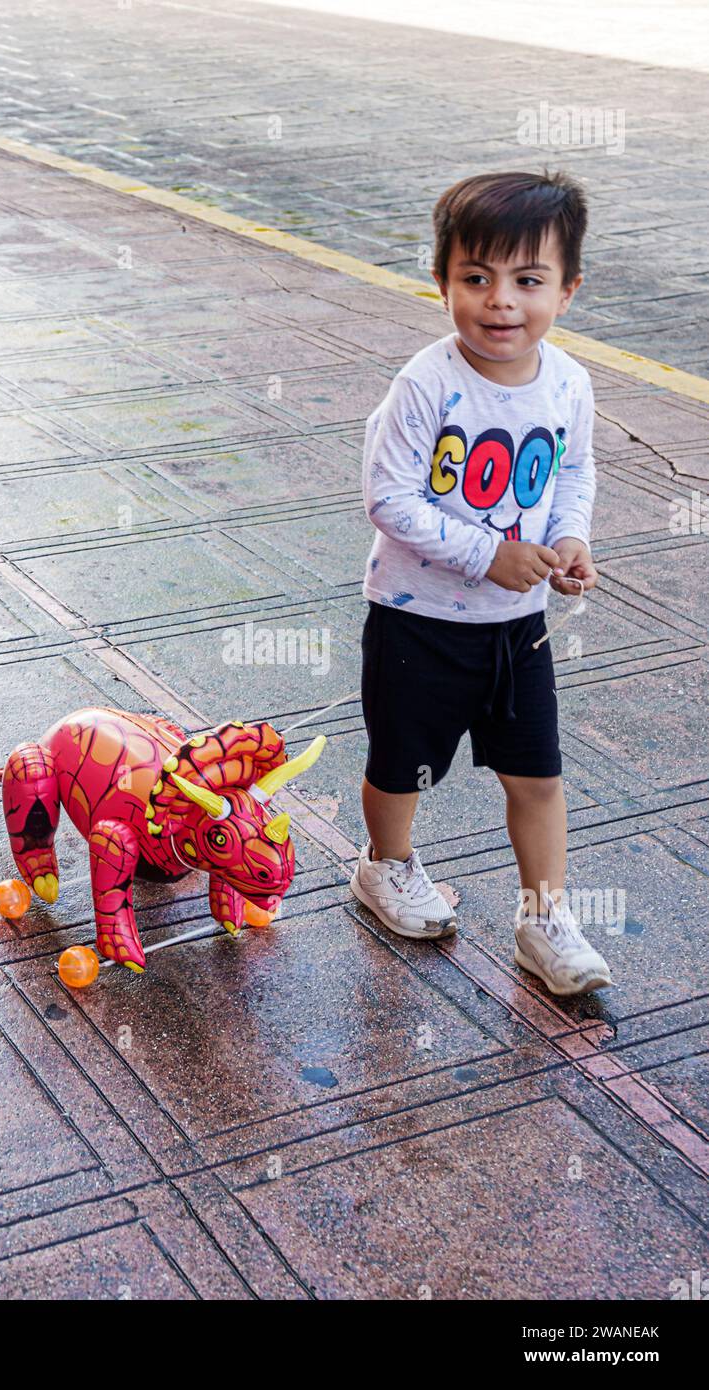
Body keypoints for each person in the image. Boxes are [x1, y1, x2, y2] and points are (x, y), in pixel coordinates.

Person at [350, 169, 612, 996]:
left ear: (566, 292)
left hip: (518, 626)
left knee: (537, 774)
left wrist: (568, 538)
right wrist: (483, 553)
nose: (501, 302)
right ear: (442, 283)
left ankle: (544, 918)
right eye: (476, 279)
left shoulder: (569, 384)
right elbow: (389, 498)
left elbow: (573, 475)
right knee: (403, 766)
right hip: (417, 617)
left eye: (528, 281)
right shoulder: (426, 383)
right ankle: (386, 866)